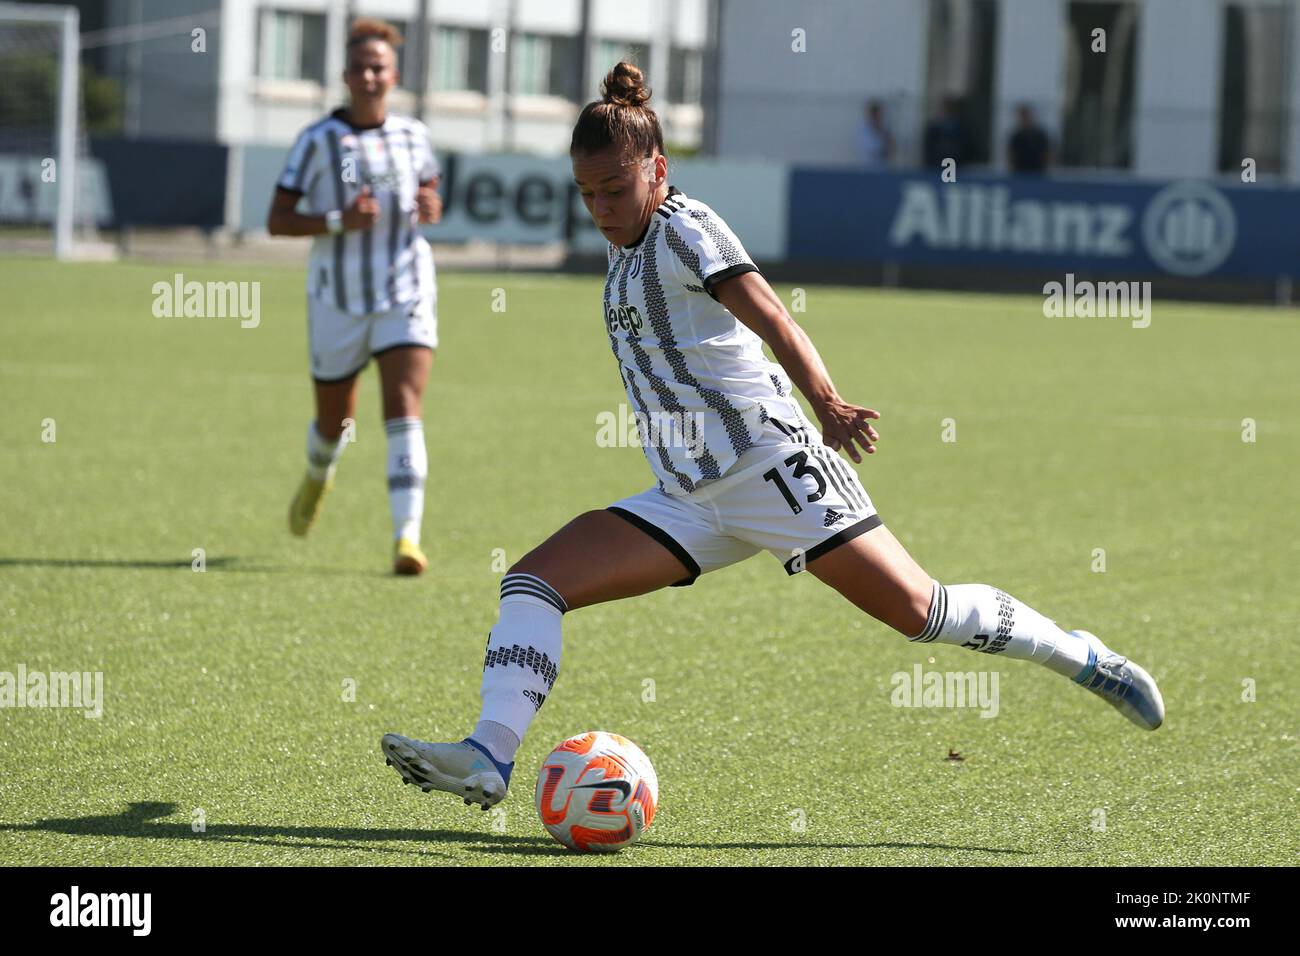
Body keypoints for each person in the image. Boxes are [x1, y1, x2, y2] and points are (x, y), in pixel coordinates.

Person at [381, 63, 1163, 810]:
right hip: (689, 499)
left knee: (922, 612)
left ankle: (1081, 655)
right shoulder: (621, 254)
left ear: (656, 168)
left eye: (615, 188)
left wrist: (824, 400)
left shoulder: (686, 230)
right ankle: (489, 754)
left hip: (773, 466)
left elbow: (773, 315)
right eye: (587, 194)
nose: (602, 208)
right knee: (533, 583)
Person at [267, 18, 442, 575]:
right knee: (334, 426)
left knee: (404, 408)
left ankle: (406, 538)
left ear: (393, 76)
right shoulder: (318, 140)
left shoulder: (414, 134)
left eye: (380, 68)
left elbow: (429, 188)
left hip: (405, 290)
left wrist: (430, 204)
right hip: (337, 300)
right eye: (361, 68)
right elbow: (277, 220)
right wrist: (341, 220)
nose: (370, 77)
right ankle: (319, 474)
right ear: (346, 75)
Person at [923, 95, 970, 169]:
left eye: (949, 108)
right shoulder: (934, 128)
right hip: (935, 166)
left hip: (956, 166)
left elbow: (965, 148)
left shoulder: (959, 128)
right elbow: (928, 149)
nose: (947, 110)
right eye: (946, 108)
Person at [1008, 103, 1052, 174]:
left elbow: (1047, 153)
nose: (1025, 119)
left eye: (1027, 116)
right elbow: (1011, 154)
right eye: (1023, 116)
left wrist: (1047, 168)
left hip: (1038, 172)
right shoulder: (1016, 136)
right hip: (1019, 172)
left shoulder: (1040, 135)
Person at [858, 100, 893, 167]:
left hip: (883, 167)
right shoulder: (863, 130)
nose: (878, 117)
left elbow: (890, 149)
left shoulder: (885, 129)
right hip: (866, 167)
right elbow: (868, 149)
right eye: (876, 115)